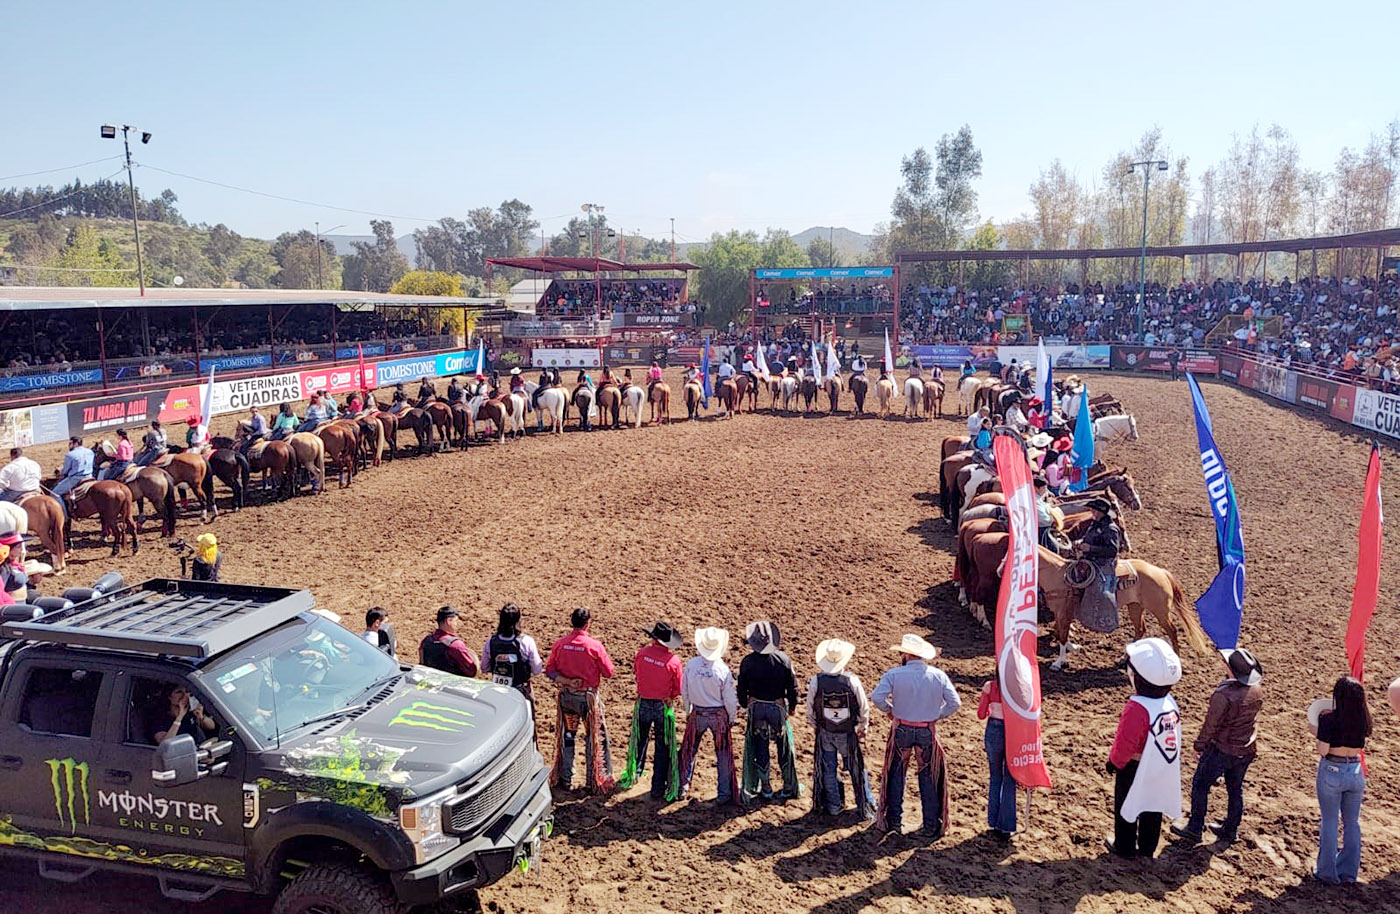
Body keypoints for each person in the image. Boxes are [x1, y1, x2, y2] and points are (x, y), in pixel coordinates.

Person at [870, 634, 961, 838]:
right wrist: (936, 715)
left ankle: (894, 821)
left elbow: (877, 697)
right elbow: (955, 703)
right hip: (926, 730)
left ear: (907, 654)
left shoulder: (894, 674)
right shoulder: (938, 675)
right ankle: (930, 825)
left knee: (896, 773)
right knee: (928, 775)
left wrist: (890, 710)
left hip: (901, 729)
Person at [1172, 648, 1264, 846]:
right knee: (1235, 788)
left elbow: (1211, 725)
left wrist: (1199, 746)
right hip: (1246, 749)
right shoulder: (1256, 689)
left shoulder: (1224, 695)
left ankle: (1195, 828)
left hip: (1222, 750)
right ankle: (1230, 829)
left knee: (1200, 785)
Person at [1107, 638, 1183, 859]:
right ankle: (1148, 846)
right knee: (1153, 805)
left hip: (1134, 765)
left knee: (1127, 806)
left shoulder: (1137, 707)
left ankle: (1124, 846)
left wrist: (1115, 762)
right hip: (1160, 764)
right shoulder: (1170, 702)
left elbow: (1125, 742)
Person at [545, 607, 616, 793]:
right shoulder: (594, 646)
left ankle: (565, 778)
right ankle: (596, 780)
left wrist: (568, 681)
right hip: (588, 699)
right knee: (596, 738)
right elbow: (609, 672)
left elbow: (550, 672)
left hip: (567, 697)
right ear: (587, 623)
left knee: (567, 736)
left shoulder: (560, 644)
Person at [1310, 676, 1372, 883]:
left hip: (1332, 770)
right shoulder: (1364, 719)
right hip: (1355, 770)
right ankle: (1348, 872)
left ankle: (1326, 872)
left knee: (1329, 820)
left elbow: (1323, 750)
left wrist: (1317, 733)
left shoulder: (1329, 719)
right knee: (1352, 823)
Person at [807, 638, 875, 822]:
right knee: (856, 768)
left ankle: (834, 806)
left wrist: (816, 727)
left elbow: (810, 707)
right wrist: (863, 727)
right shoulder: (852, 681)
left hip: (826, 732)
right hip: (847, 732)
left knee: (828, 769)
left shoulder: (816, 681)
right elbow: (863, 707)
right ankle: (865, 806)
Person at [619, 621, 684, 801]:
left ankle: (635, 772)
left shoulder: (642, 654)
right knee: (662, 747)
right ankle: (657, 787)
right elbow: (678, 688)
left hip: (643, 702)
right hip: (662, 706)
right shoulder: (674, 661)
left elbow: (637, 674)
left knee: (639, 738)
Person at [737, 621, 800, 803]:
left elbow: (742, 688)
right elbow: (793, 688)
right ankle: (788, 785)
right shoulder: (784, 660)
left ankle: (765, 787)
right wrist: (793, 707)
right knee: (783, 746)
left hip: (757, 708)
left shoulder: (747, 662)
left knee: (760, 746)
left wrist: (745, 703)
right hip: (777, 707)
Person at [679, 626, 739, 805]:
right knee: (723, 753)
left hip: (697, 711)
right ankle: (724, 793)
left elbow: (685, 689)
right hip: (718, 714)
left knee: (689, 749)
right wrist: (732, 717)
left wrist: (687, 709)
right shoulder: (723, 670)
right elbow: (729, 698)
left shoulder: (691, 665)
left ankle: (683, 786)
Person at [1072, 498, 1121, 633]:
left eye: (1094, 509)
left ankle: (1107, 620)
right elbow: (1089, 538)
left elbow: (1112, 550)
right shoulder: (1096, 524)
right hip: (1090, 559)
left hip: (1103, 562)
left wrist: (1090, 548)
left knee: (1102, 589)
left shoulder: (1110, 529)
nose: (1091, 511)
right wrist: (1081, 542)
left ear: (1101, 512)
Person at [978, 671, 1015, 841]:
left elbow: (981, 714)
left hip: (994, 728)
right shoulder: (1017, 688)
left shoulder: (989, 686)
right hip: (1013, 729)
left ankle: (993, 821)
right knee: (1009, 777)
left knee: (995, 776)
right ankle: (1006, 825)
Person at [482, 602, 543, 706]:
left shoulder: (490, 642)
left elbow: (484, 667)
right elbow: (537, 670)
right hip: (520, 691)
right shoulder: (526, 642)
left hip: (499, 691)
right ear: (518, 620)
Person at [418, 607, 480, 677]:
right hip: (452, 685)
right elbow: (471, 671)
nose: (457, 624)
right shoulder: (455, 645)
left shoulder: (426, 641)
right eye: (456, 621)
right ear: (449, 621)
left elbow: (422, 666)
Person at [153, 684, 218, 744]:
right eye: (179, 692)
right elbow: (165, 743)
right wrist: (180, 717)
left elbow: (212, 727)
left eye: (186, 692)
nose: (184, 695)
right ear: (169, 696)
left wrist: (201, 717)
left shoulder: (190, 711)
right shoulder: (160, 718)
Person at [50, 437, 94, 515]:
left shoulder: (70, 455)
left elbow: (66, 470)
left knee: (54, 493)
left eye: (70, 443)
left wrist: (60, 472)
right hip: (90, 476)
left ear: (75, 443)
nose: (69, 445)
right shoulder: (90, 452)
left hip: (75, 478)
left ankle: (64, 515)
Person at [0, 526, 28, 606]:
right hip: (14, 607)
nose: (21, 550)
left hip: (22, 603)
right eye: (18, 547)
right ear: (9, 549)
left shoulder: (13, 565)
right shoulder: (4, 569)